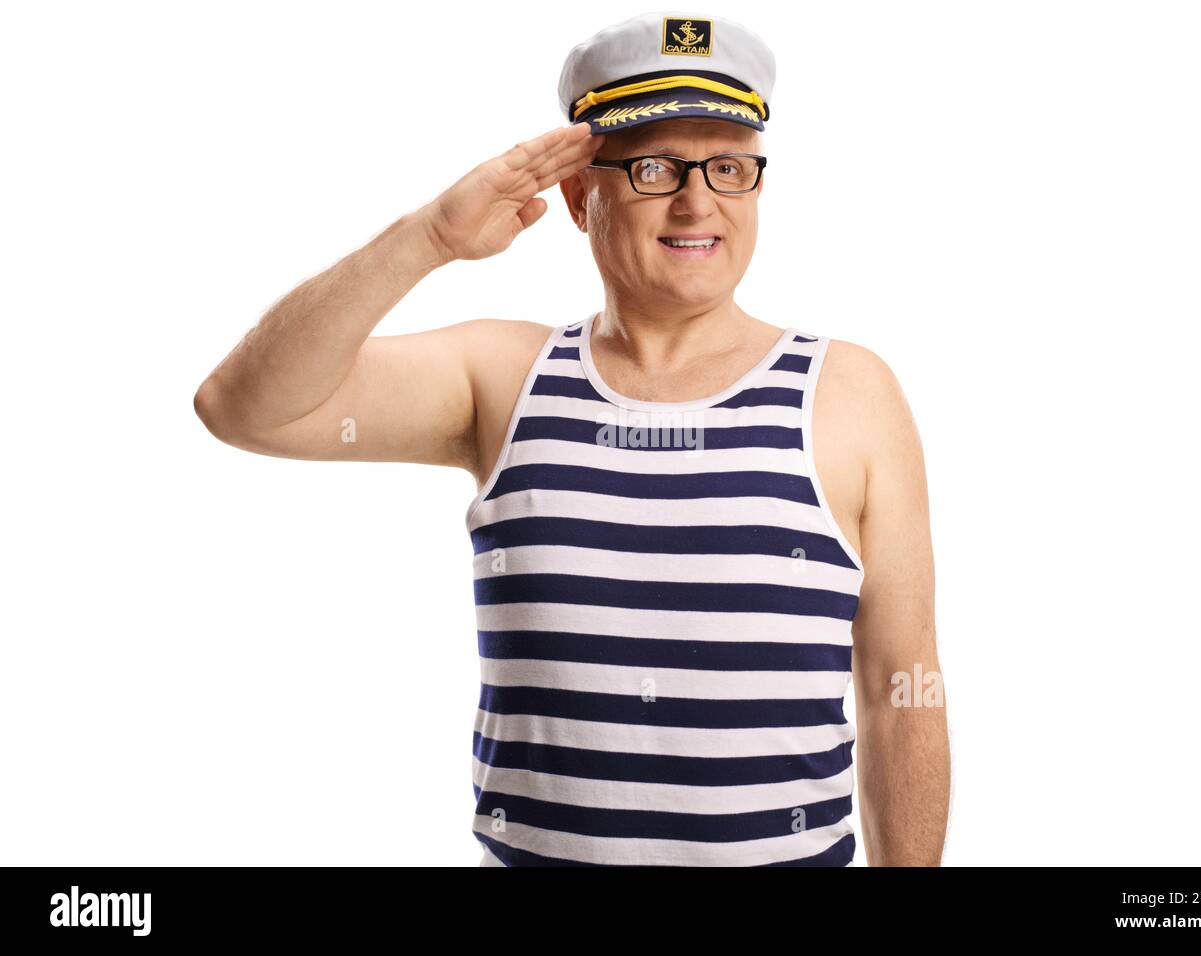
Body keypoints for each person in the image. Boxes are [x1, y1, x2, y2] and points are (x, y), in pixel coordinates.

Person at [193, 11, 948, 866]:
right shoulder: (503, 376)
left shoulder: (849, 392)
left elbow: (902, 690)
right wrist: (430, 238)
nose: (697, 200)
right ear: (583, 197)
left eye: (729, 167)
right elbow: (244, 406)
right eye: (656, 166)